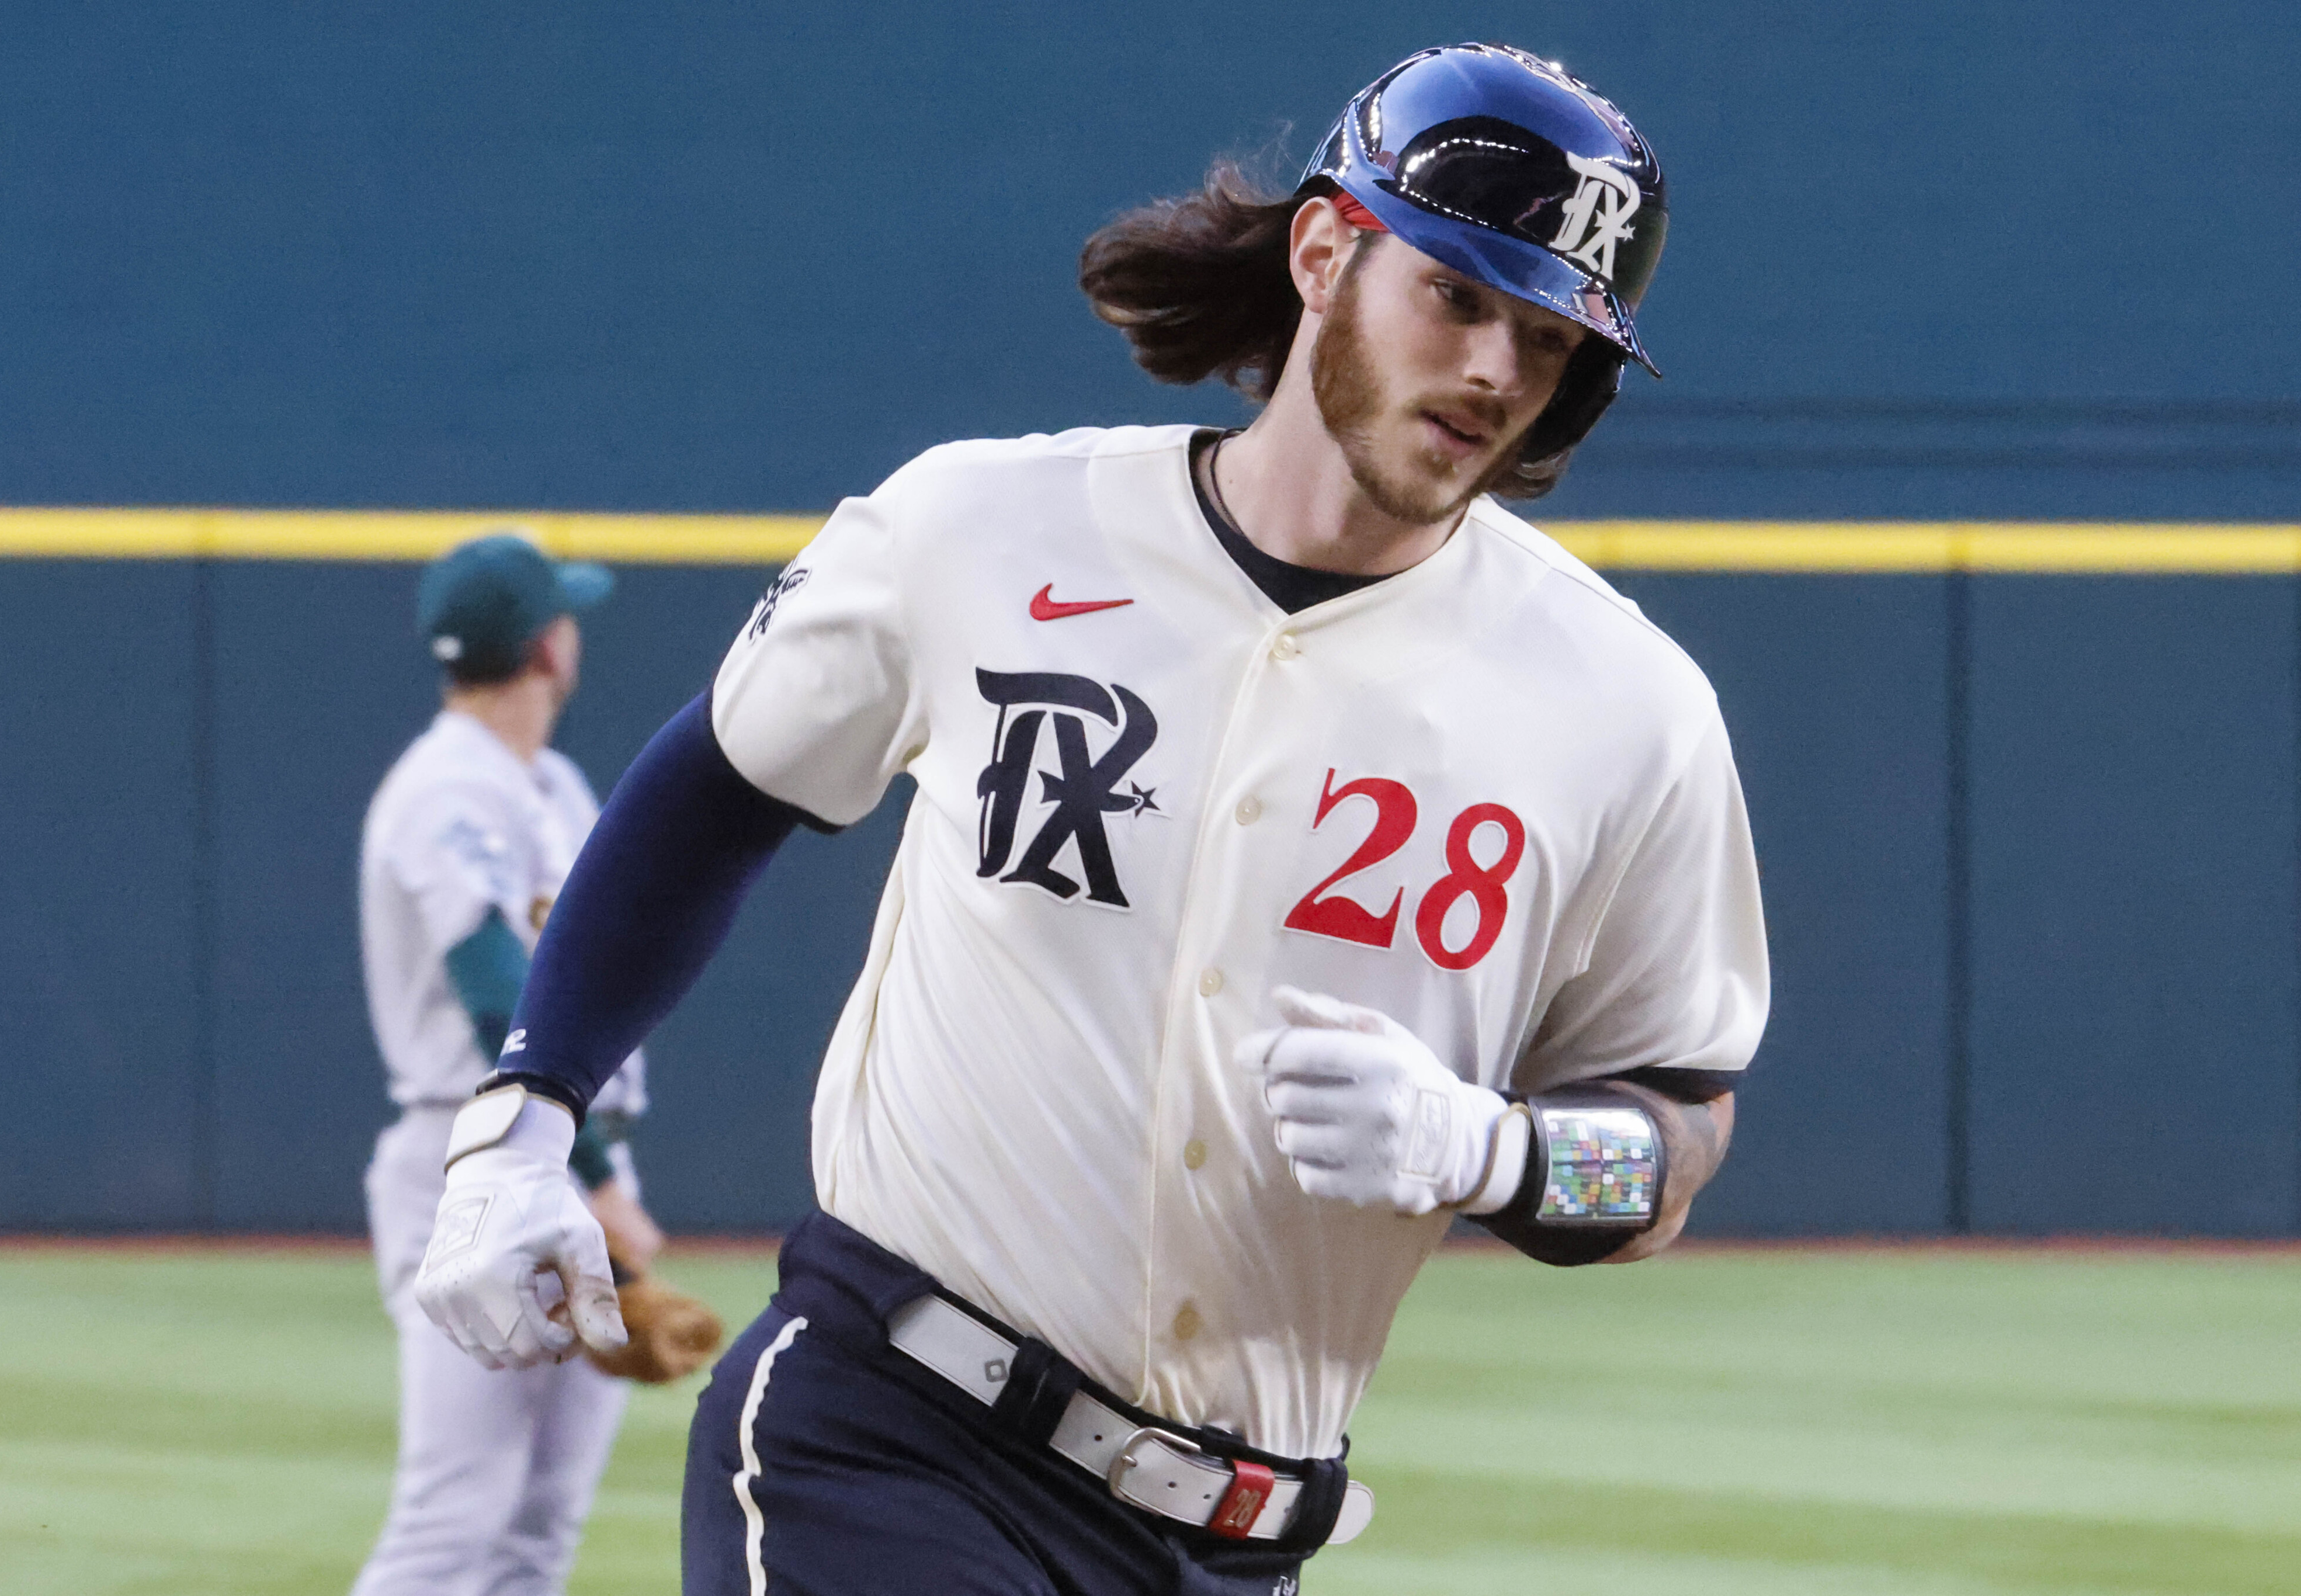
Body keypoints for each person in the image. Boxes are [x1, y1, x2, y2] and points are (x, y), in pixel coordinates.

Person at [412, 43, 1769, 1596]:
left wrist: (1502, 1151)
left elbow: (1672, 1146)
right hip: (892, 1434)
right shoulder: (986, 529)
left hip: (1239, 1540)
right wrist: (525, 1113)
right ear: (1325, 249)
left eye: (1546, 337)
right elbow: (721, 784)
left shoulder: (1623, 705)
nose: (1493, 371)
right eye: (1457, 294)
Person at [352, 532, 668, 1595]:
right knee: (457, 1521)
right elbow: (496, 994)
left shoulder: (552, 782)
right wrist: (601, 1187)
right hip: (481, 1163)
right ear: (548, 649)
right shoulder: (447, 789)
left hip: (568, 1154)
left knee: (539, 1526)